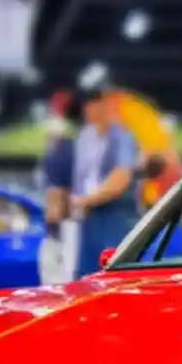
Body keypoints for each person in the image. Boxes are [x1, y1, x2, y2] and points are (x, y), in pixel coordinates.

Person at [68, 89, 141, 275]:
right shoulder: (85, 137)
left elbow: (121, 178)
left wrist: (87, 199)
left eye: (93, 103)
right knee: (86, 274)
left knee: (115, 271)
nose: (88, 109)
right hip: (88, 216)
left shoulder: (122, 137)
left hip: (116, 215)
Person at [40, 94, 80, 284]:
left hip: (62, 230)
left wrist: (52, 225)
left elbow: (57, 194)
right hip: (75, 225)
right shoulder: (75, 148)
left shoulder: (59, 153)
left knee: (56, 282)